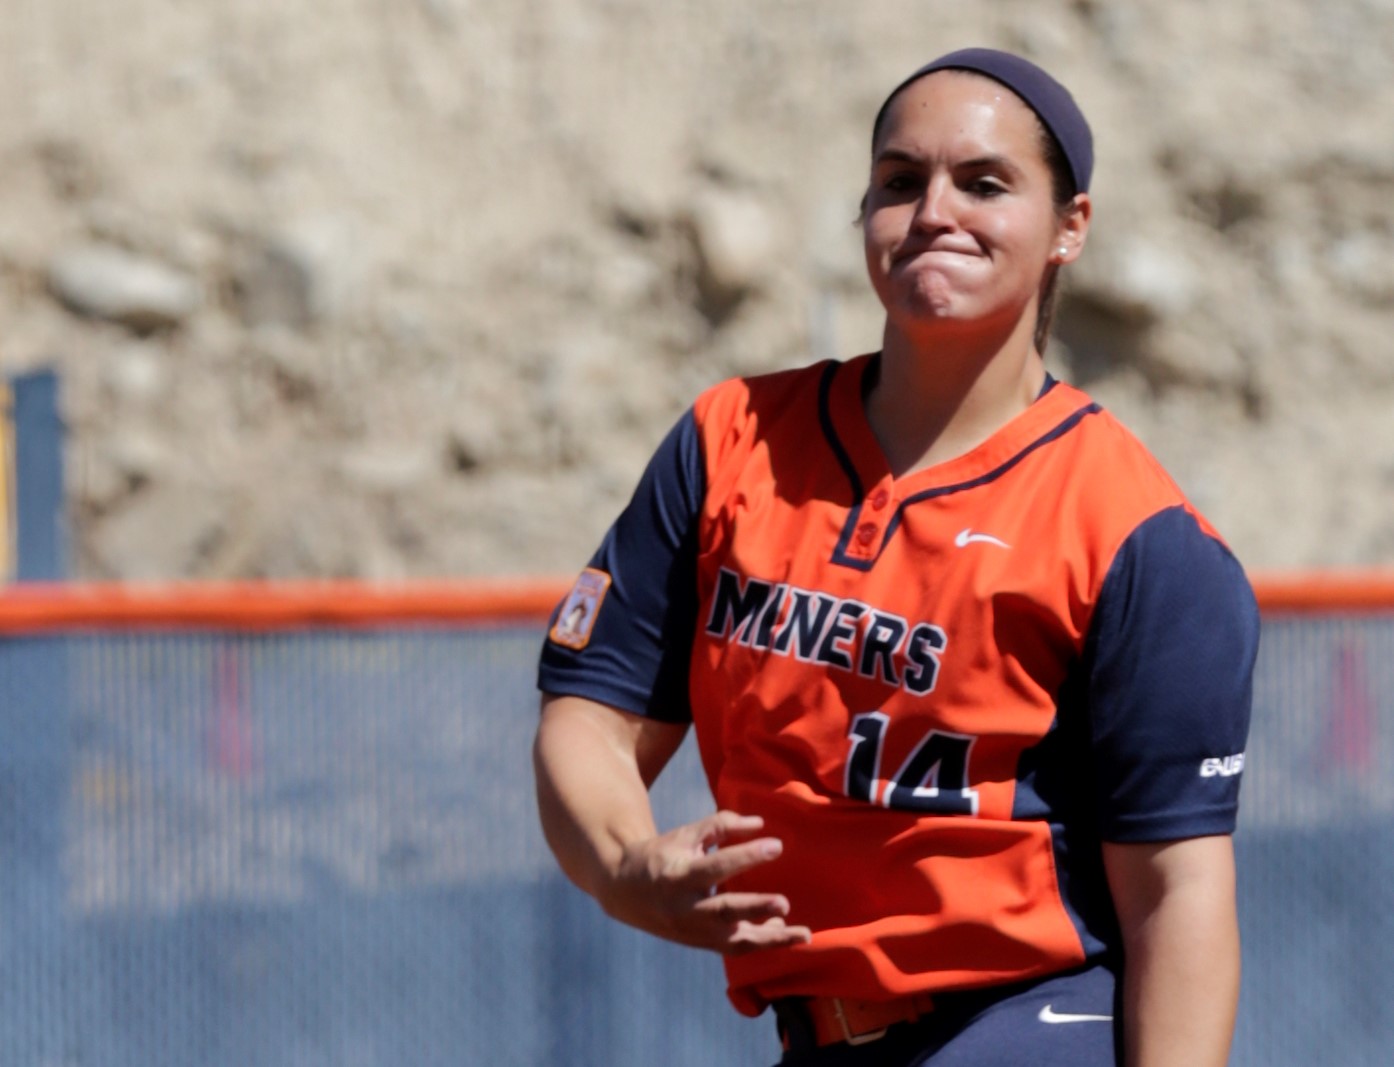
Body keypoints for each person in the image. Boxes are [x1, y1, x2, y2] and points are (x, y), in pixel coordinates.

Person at [533, 47, 1258, 1067]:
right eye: (899, 180)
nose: (933, 210)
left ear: (1069, 227)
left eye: (984, 182)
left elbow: (1177, 890)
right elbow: (589, 709)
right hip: (814, 1032)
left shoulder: (1133, 531)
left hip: (1025, 1018)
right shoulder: (729, 438)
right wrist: (622, 863)